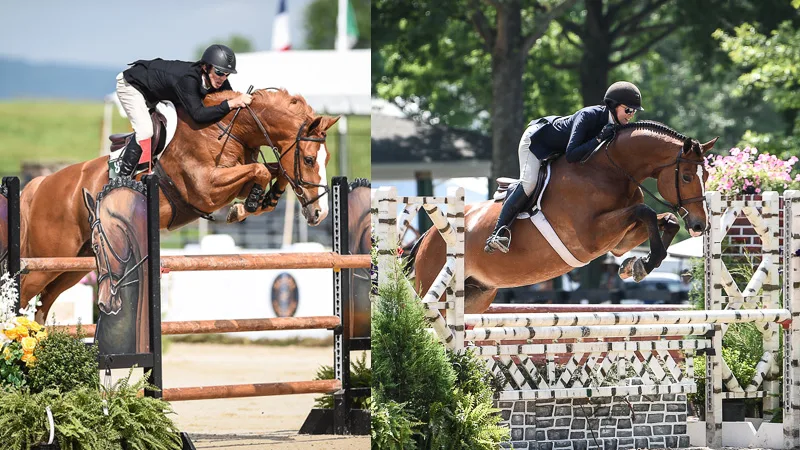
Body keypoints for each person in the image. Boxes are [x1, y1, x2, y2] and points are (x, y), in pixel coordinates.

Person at [484, 81, 644, 254]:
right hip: (536, 141)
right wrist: (598, 138)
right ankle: (497, 232)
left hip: (556, 148)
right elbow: (572, 154)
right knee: (529, 183)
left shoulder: (617, 127)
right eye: (628, 110)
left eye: (634, 111)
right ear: (613, 106)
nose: (631, 115)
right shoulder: (588, 116)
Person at [114, 44, 253, 177]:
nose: (223, 78)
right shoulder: (188, 80)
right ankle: (122, 178)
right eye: (219, 72)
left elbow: (229, 101)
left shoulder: (218, 79)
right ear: (205, 67)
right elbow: (198, 115)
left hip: (158, 93)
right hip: (132, 86)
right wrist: (231, 103)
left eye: (227, 74)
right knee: (146, 131)